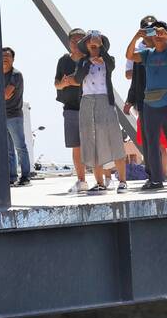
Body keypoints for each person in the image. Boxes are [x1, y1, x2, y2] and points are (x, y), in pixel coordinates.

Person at [125, 22, 167, 190]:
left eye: (159, 32)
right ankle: (156, 180)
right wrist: (136, 37)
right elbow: (129, 55)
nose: (156, 35)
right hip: (150, 104)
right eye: (153, 33)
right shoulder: (147, 54)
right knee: (152, 145)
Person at [73, 32, 128, 194]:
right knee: (91, 141)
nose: (94, 45)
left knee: (114, 138)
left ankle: (123, 181)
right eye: (91, 43)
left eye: (97, 43)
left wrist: (102, 51)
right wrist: (88, 63)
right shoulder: (82, 62)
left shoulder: (108, 61)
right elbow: (77, 79)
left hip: (105, 100)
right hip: (87, 100)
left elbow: (111, 66)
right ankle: (99, 182)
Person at [54, 27, 89, 195]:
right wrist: (65, 83)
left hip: (90, 105)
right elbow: (57, 83)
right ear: (69, 42)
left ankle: (103, 179)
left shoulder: (91, 59)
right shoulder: (63, 60)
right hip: (70, 107)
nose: (76, 43)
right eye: (73, 40)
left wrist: (74, 81)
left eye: (80, 40)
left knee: (94, 144)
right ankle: (81, 180)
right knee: (76, 145)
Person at [2, 48, 31, 186]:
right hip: (1, 116)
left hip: (14, 116)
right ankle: (11, 177)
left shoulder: (16, 75)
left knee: (20, 147)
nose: (5, 58)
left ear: (13, 59)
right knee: (8, 149)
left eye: (8, 56)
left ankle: (26, 176)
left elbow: (5, 94)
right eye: (2, 56)